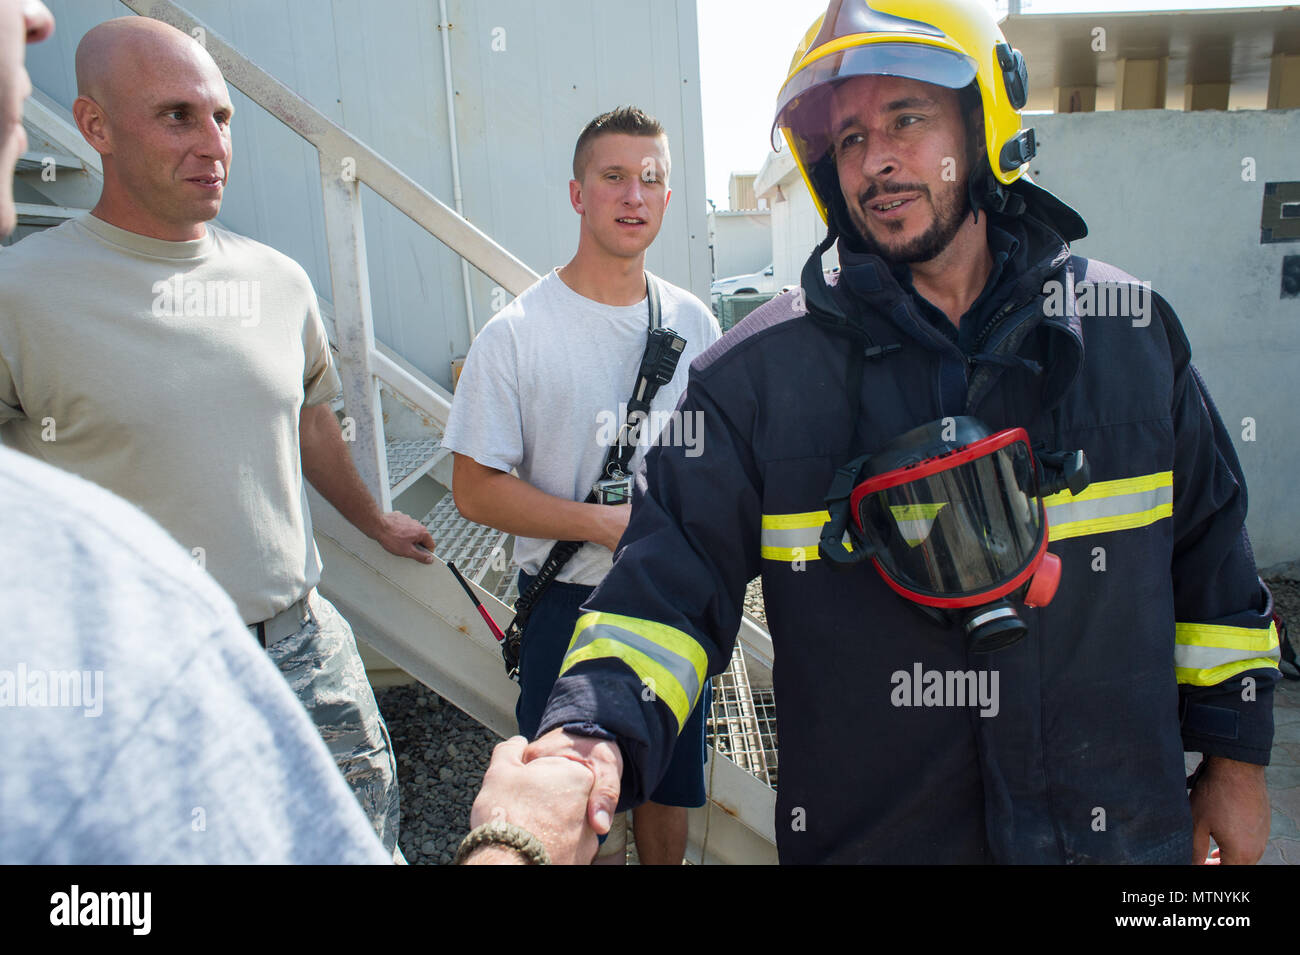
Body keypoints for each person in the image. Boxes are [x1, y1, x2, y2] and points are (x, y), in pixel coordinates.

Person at [489, 0, 1281, 864]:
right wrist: (581, 746)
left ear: (984, 124)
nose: (878, 160)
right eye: (853, 138)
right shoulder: (755, 382)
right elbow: (660, 597)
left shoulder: (1129, 336)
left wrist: (1236, 760)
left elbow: (1213, 563)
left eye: (908, 117)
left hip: (1122, 842)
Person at [0, 16, 437, 861]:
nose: (213, 144)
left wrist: (373, 520)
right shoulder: (21, 295)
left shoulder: (277, 281)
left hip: (304, 648)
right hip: (133, 686)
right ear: (95, 129)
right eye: (177, 117)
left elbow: (312, 419)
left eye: (223, 118)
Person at [443, 105, 721, 864]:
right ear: (577, 194)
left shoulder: (695, 323)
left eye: (651, 179)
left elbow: (719, 460)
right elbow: (474, 490)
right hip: (566, 605)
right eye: (613, 177)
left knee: (669, 786)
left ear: (667, 199)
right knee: (569, 802)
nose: (634, 195)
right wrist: (601, 524)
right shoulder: (518, 333)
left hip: (667, 601)